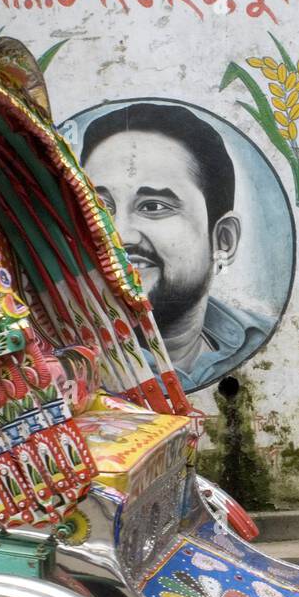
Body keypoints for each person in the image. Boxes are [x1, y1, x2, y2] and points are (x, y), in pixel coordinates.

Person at [80, 102, 271, 392]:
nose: (118, 235)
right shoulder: (48, 362)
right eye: (98, 209)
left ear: (223, 240)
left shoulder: (262, 341)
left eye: (153, 206)